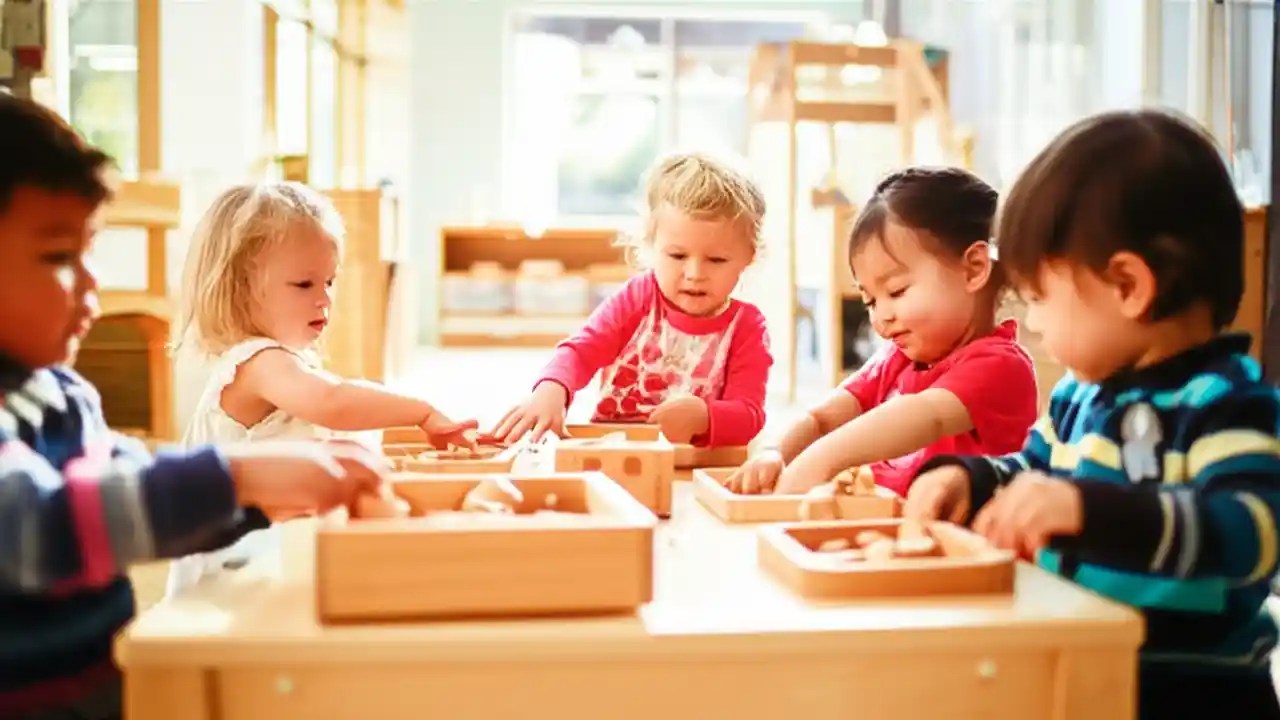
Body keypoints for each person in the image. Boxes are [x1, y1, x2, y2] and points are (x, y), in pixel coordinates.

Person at [0, 94, 387, 720]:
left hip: (96, 683)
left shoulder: (62, 393)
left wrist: (256, 499)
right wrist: (236, 478)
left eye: (89, 251)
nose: (92, 284)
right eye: (57, 258)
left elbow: (126, 486)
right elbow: (27, 529)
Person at [905, 110, 1280, 720]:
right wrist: (968, 479)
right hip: (1077, 664)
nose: (1032, 321)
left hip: (1195, 693)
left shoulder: (1224, 402)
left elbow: (1254, 531)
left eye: (1038, 298)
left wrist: (1088, 511)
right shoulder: (1081, 396)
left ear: (1128, 285)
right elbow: (1030, 469)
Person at [166, 181, 476, 594]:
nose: (325, 299)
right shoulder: (256, 362)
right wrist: (421, 410)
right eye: (303, 285)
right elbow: (333, 401)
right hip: (235, 564)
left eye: (329, 282)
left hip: (270, 544)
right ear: (239, 288)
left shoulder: (277, 362)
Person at [729, 167, 1037, 498]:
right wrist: (774, 452)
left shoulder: (1002, 366)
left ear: (974, 268)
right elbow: (821, 419)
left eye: (897, 291)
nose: (881, 317)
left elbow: (926, 415)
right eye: (870, 301)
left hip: (957, 541)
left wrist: (818, 463)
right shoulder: (897, 359)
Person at [493, 152, 772, 448]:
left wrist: (705, 416)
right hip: (616, 452)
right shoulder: (639, 297)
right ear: (651, 245)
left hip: (695, 463)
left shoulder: (747, 327)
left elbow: (750, 414)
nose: (695, 273)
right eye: (677, 255)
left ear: (749, 257)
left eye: (716, 260)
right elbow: (582, 350)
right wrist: (552, 389)